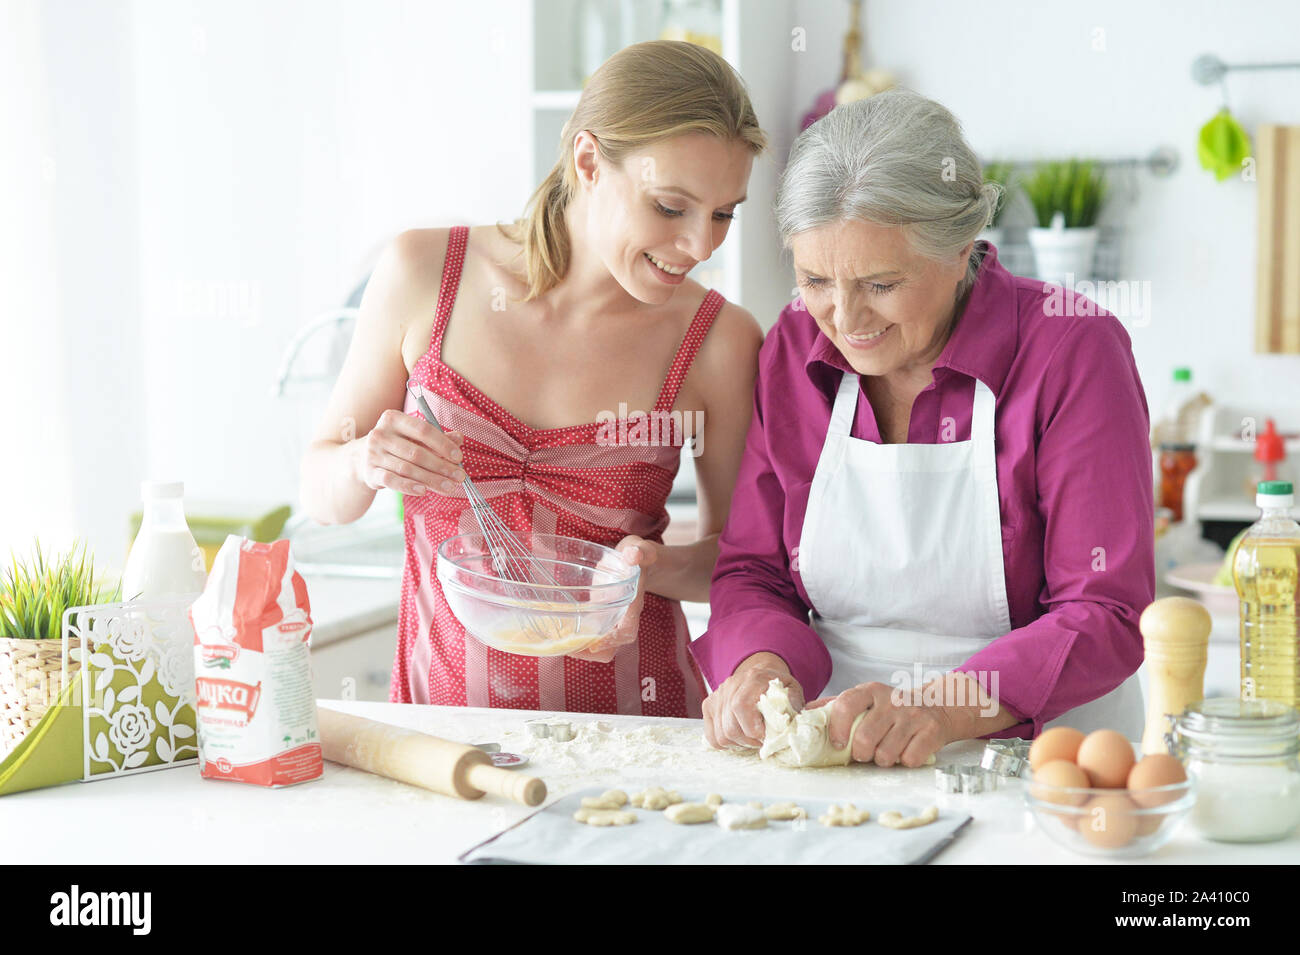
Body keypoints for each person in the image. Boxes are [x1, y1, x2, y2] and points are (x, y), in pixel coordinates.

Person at [301, 41, 766, 716]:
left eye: (724, 213)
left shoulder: (720, 341)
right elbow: (323, 491)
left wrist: (649, 568)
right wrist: (364, 460)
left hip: (638, 745)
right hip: (444, 742)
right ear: (587, 161)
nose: (701, 246)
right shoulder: (424, 272)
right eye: (671, 207)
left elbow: (742, 565)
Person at [694, 88, 1150, 764]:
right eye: (817, 279)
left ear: (962, 248)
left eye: (880, 284)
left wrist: (938, 709)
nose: (846, 319)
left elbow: (1105, 610)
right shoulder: (793, 347)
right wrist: (760, 664)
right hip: (843, 753)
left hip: (1044, 763)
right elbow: (755, 569)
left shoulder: (1072, 348)